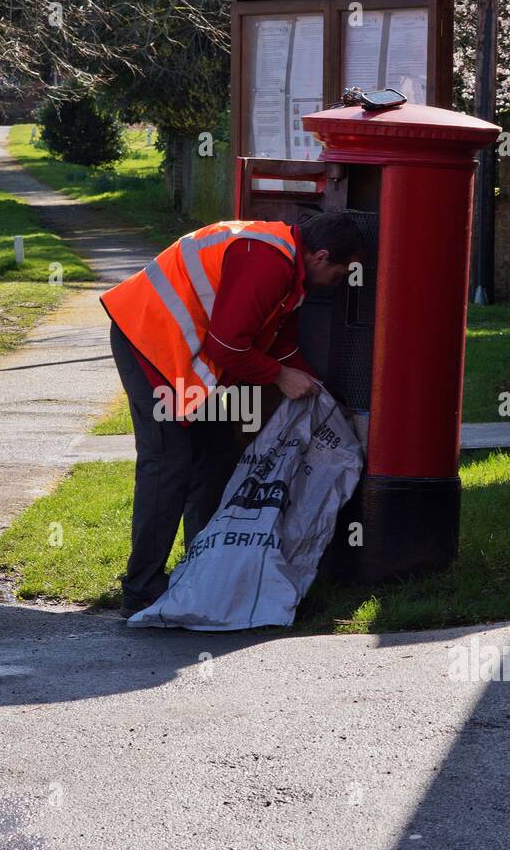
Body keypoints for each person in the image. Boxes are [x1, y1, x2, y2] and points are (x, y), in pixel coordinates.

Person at [102, 210, 362, 617]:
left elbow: (281, 345)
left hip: (173, 350)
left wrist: (320, 394)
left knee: (217, 454)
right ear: (321, 256)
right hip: (147, 342)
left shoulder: (289, 267)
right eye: (343, 270)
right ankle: (141, 589)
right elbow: (227, 347)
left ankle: (200, 569)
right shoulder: (268, 262)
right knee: (168, 462)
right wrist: (280, 377)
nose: (344, 278)